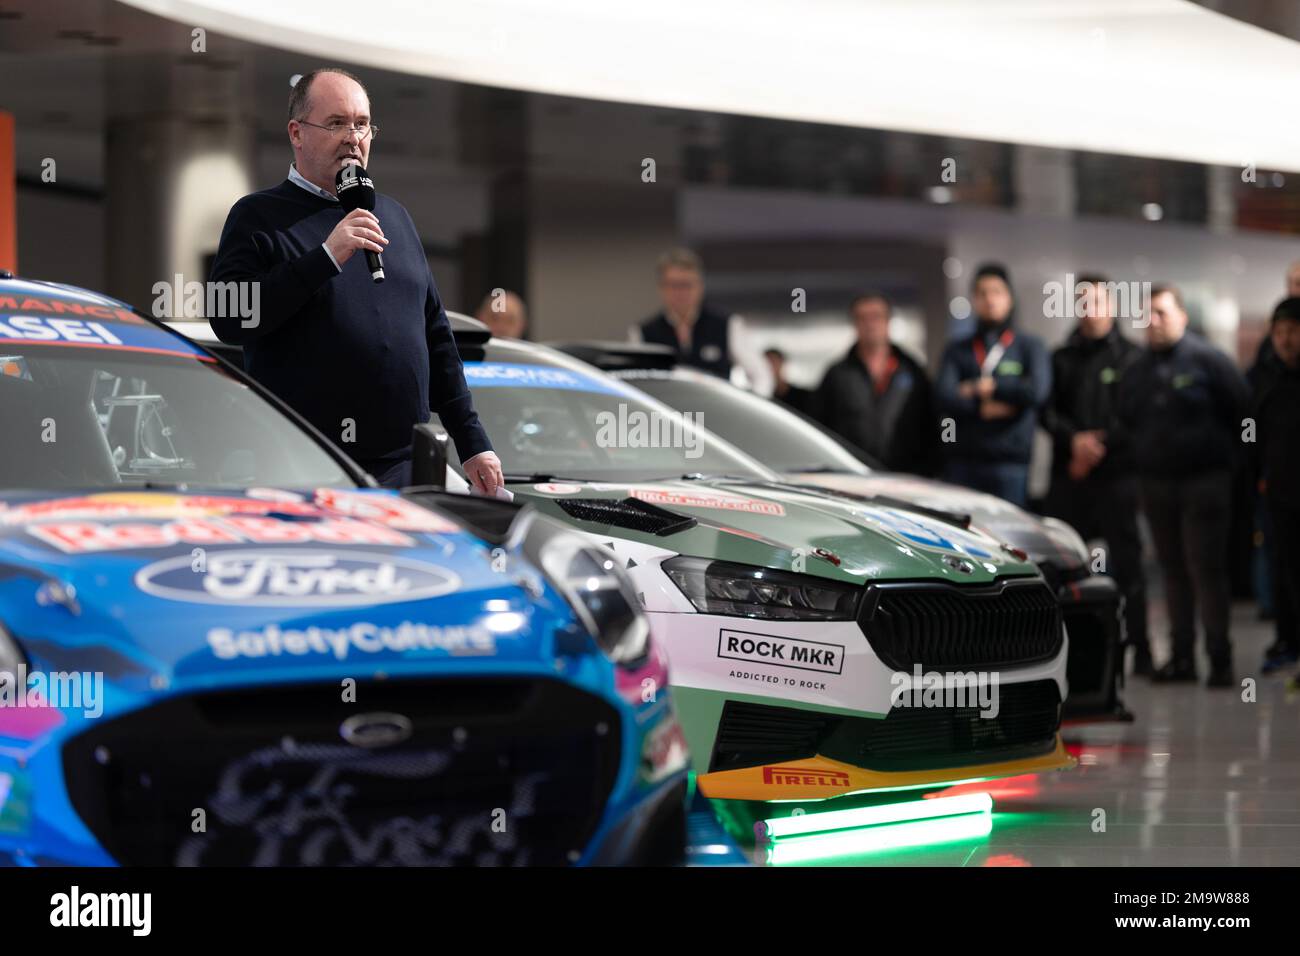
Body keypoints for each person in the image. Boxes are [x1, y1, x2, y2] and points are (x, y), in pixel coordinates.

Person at [209, 68, 501, 492]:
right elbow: (228, 317)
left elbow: (435, 335)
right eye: (336, 123)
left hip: (404, 464)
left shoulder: (394, 215)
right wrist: (325, 257)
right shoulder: (257, 215)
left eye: (362, 125)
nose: (353, 137)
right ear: (296, 133)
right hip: (305, 464)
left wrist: (472, 441)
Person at [1116, 285, 1251, 687]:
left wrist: (1234, 468)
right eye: (1149, 314)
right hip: (1156, 485)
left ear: (1182, 316)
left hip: (1204, 483)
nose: (1153, 322)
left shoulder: (1209, 361)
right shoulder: (1136, 369)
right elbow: (1126, 421)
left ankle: (1219, 659)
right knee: (1172, 570)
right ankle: (1181, 658)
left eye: (1162, 313)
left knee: (1205, 571)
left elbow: (1245, 416)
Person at [1043, 276, 1151, 676]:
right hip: (1070, 476)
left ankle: (1140, 651)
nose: (1090, 308)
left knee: (1128, 565)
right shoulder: (1061, 357)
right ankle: (1064, 654)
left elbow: (1135, 414)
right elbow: (1048, 412)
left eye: (1097, 301)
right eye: (1082, 301)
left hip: (1117, 476)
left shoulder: (1132, 357)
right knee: (1061, 567)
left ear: (1112, 305)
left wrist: (1096, 446)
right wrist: (1074, 443)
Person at [935, 263, 1050, 505]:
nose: (990, 300)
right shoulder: (958, 350)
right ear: (974, 300)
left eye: (997, 292)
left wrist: (987, 387)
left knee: (1010, 537)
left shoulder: (1029, 347)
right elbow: (945, 397)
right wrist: (981, 407)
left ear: (1009, 298)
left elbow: (1037, 392)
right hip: (964, 462)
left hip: (1010, 463)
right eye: (983, 293)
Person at [813, 292, 936, 474]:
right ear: (855, 323)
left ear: (888, 321)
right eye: (862, 318)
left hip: (907, 476)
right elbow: (819, 427)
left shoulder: (912, 370)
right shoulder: (837, 374)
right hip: (852, 476)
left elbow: (930, 423)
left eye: (876, 316)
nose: (870, 324)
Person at [633, 248, 772, 395]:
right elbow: (636, 383)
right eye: (673, 285)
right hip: (665, 413)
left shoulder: (727, 325)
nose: (680, 293)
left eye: (686, 285)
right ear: (662, 288)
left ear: (700, 286)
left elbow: (761, 375)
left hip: (717, 411)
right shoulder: (643, 332)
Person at [1250, 298, 1300, 676]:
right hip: (1278, 490)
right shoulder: (1263, 376)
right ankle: (1287, 640)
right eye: (1280, 332)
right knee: (1282, 568)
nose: (1286, 340)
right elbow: (1248, 430)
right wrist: (1258, 471)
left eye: (1293, 332)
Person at [764, 348, 816, 416]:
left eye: (772, 361)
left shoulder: (802, 396)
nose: (769, 366)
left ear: (781, 362)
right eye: (766, 362)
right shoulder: (764, 397)